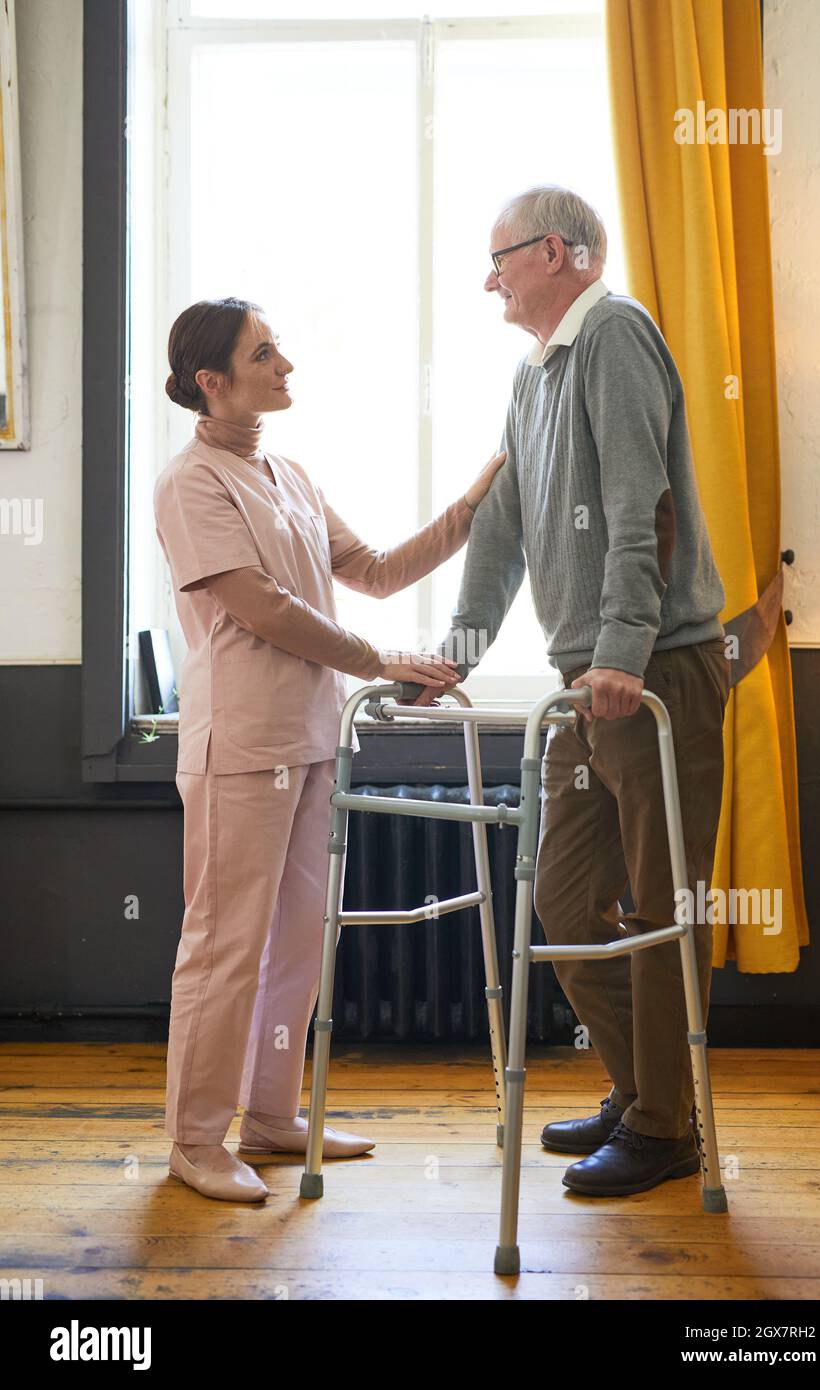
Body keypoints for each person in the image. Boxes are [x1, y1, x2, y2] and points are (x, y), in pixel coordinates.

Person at [406, 185, 731, 1197]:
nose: (488, 278)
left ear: (556, 252)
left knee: (651, 905)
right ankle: (640, 1090)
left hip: (650, 670)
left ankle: (664, 1126)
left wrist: (625, 653)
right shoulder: (530, 372)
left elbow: (644, 506)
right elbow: (498, 531)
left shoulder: (614, 336)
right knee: (561, 899)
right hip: (580, 681)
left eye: (500, 257)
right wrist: (455, 651)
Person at [153, 296, 506, 1202]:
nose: (286, 366)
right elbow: (263, 609)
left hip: (310, 739)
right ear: (211, 382)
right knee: (223, 944)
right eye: (264, 353)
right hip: (239, 743)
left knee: (300, 938)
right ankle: (195, 1142)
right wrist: (382, 660)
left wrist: (475, 501)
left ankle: (269, 1117)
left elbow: (379, 571)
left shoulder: (293, 475)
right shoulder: (189, 483)